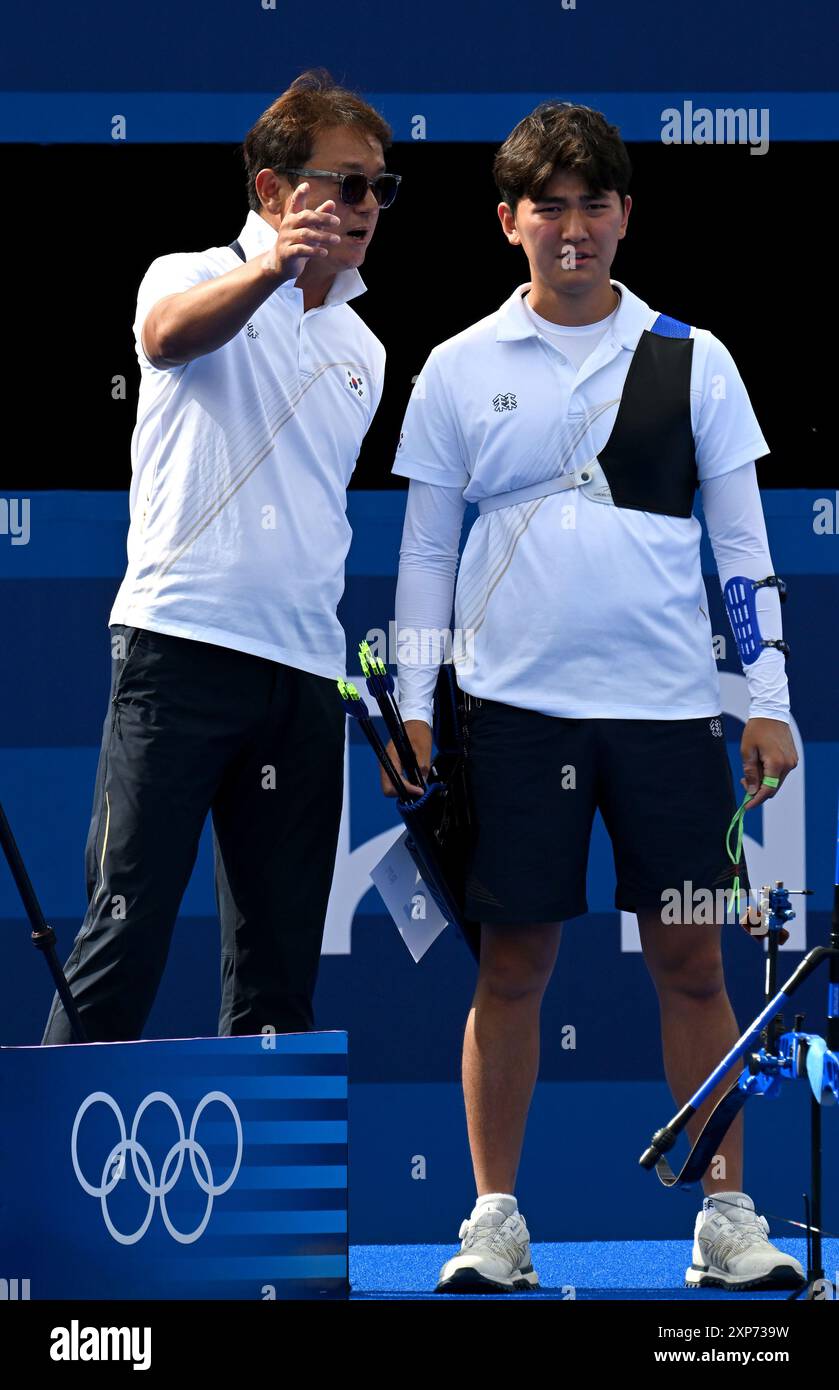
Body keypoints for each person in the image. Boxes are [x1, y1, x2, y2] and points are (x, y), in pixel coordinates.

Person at [382, 101, 803, 1293]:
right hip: (511, 715)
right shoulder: (458, 367)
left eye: (592, 204)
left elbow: (739, 549)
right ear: (508, 221)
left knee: (692, 965)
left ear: (623, 215)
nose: (571, 228)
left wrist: (762, 699)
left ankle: (726, 1216)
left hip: (670, 717)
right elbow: (421, 554)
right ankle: (492, 1221)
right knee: (509, 966)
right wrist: (415, 700)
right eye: (546, 206)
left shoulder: (694, 357)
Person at [42, 69, 399, 1044]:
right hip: (176, 653)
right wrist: (270, 272)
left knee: (279, 977)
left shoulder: (366, 353)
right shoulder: (184, 273)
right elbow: (162, 338)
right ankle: (41, 1199)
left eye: (379, 187)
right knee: (122, 942)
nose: (366, 205)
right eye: (346, 183)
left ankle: (260, 1200)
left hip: (301, 684)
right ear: (273, 191)